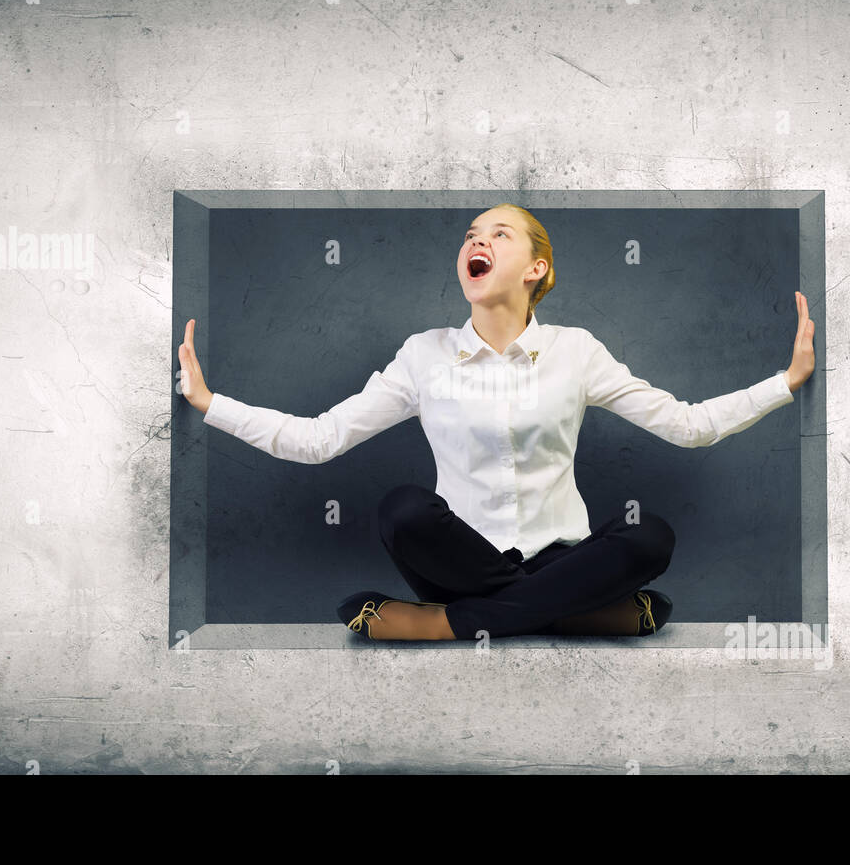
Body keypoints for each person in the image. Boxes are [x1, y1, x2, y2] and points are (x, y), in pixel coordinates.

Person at [177, 203, 816, 641]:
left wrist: (783, 383)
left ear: (536, 268)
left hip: (565, 558)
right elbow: (317, 440)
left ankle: (441, 624)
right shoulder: (423, 355)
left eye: (499, 234)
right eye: (471, 235)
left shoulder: (577, 350)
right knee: (402, 509)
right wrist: (211, 403)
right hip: (461, 563)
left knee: (649, 534)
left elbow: (689, 425)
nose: (476, 241)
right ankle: (570, 616)